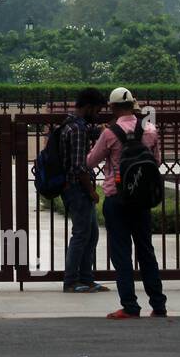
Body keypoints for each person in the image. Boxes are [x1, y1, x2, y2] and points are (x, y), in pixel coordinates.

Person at [87, 87, 168, 319]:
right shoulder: (150, 129)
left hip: (117, 199)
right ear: (133, 105)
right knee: (146, 251)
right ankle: (159, 305)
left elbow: (91, 162)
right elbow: (157, 161)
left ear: (112, 107)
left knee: (121, 253)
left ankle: (130, 306)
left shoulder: (110, 133)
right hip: (142, 200)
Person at [59, 88, 110, 294]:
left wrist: (104, 129)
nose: (97, 114)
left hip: (74, 188)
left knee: (91, 234)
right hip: (77, 188)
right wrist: (92, 190)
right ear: (88, 107)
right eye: (97, 110)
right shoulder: (77, 129)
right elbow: (79, 166)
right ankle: (71, 281)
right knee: (81, 235)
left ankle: (87, 279)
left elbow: (93, 132)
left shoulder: (71, 124)